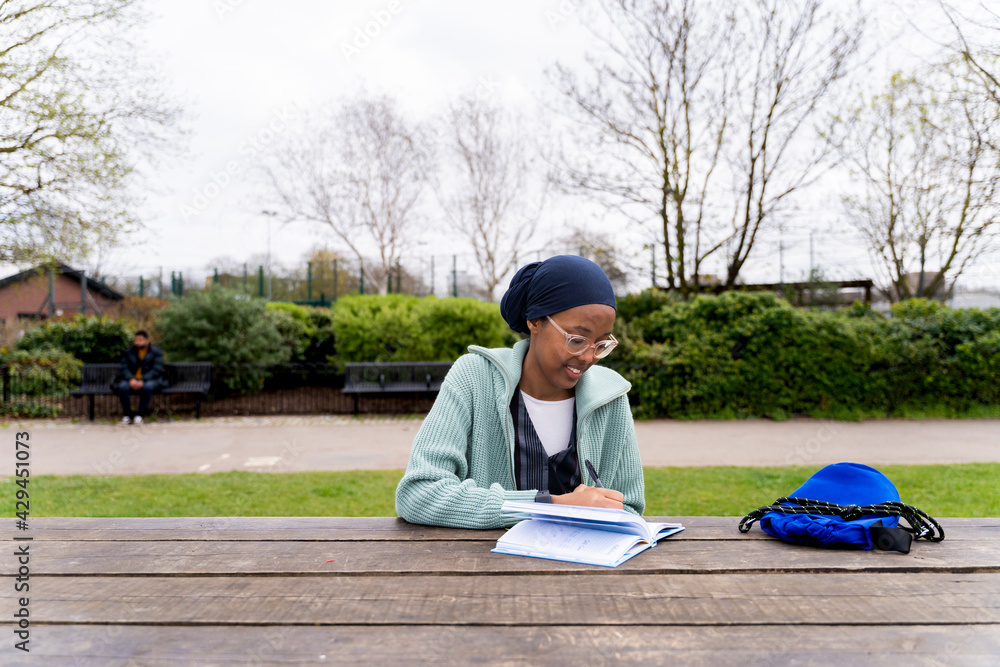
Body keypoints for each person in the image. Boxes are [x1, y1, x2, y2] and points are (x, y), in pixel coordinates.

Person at [396, 255, 644, 529]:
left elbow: (629, 507)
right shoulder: (474, 378)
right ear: (535, 321)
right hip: (485, 567)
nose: (588, 357)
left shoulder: (611, 396)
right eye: (576, 340)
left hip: (582, 568)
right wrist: (553, 506)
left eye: (601, 344)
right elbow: (418, 494)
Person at [115, 330, 165, 425]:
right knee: (122, 387)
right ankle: (127, 415)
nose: (137, 342)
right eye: (136, 340)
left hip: (150, 379)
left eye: (140, 340)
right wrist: (131, 379)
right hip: (131, 379)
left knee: (148, 387)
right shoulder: (129, 351)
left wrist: (143, 380)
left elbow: (157, 369)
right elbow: (124, 368)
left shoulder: (156, 351)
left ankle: (140, 415)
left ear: (147, 340)